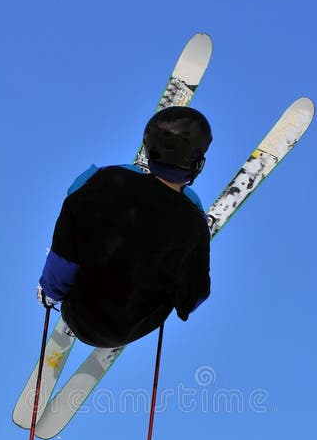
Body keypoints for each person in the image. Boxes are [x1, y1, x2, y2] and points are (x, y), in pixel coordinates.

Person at [37, 106, 213, 348]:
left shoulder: (100, 182)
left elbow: (64, 259)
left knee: (78, 209)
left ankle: (57, 295)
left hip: (81, 315)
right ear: (196, 164)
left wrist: (51, 292)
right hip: (133, 327)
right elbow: (191, 300)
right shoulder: (195, 226)